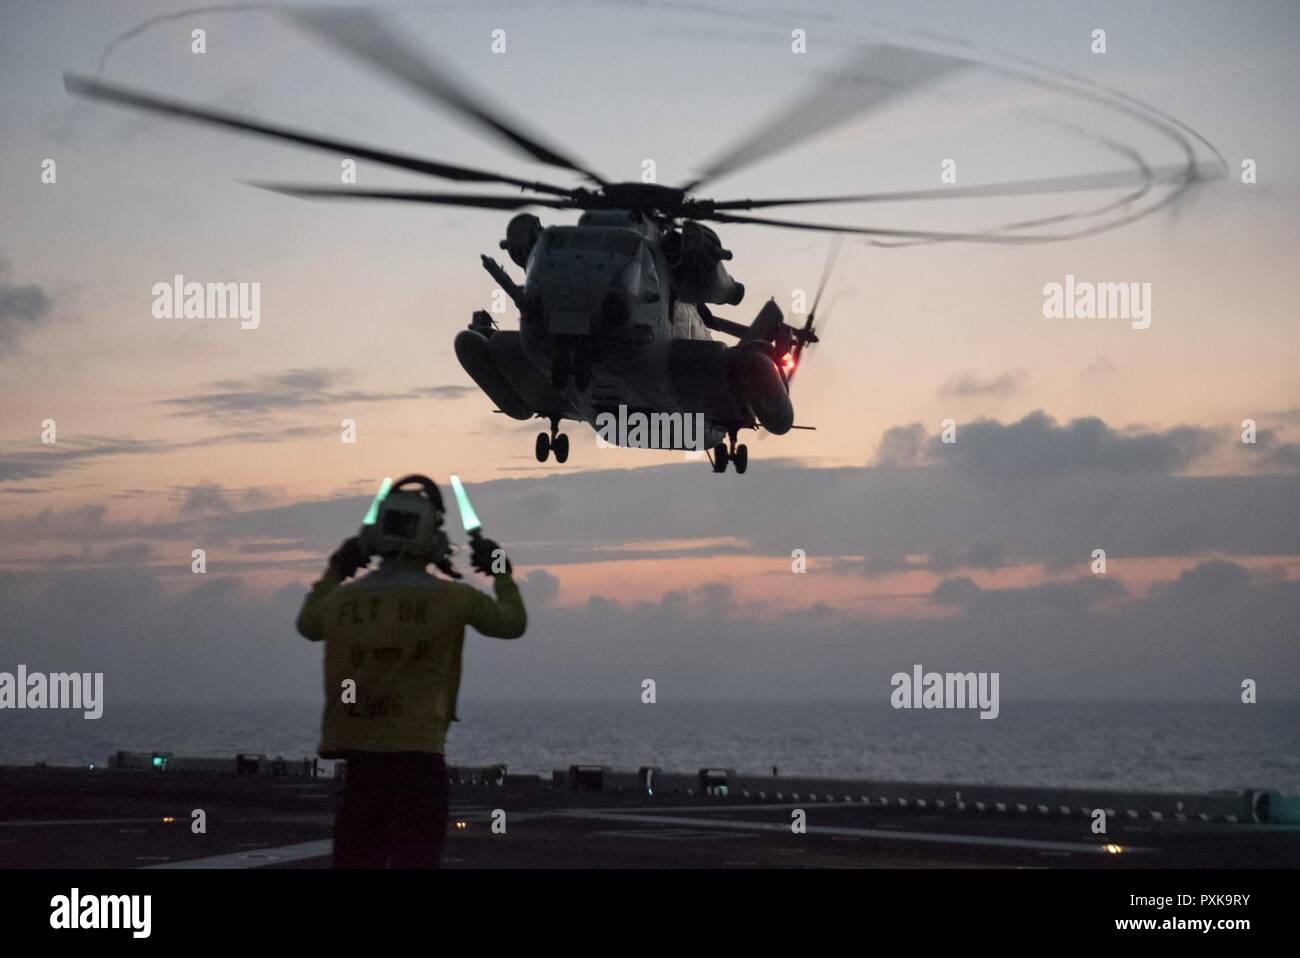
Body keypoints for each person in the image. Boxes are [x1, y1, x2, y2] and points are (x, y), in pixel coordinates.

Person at [295, 474, 526, 867]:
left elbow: (308, 624)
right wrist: (501, 569)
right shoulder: (453, 598)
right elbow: (511, 623)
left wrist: (338, 568)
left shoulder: (344, 600)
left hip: (361, 760)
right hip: (419, 758)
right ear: (433, 538)